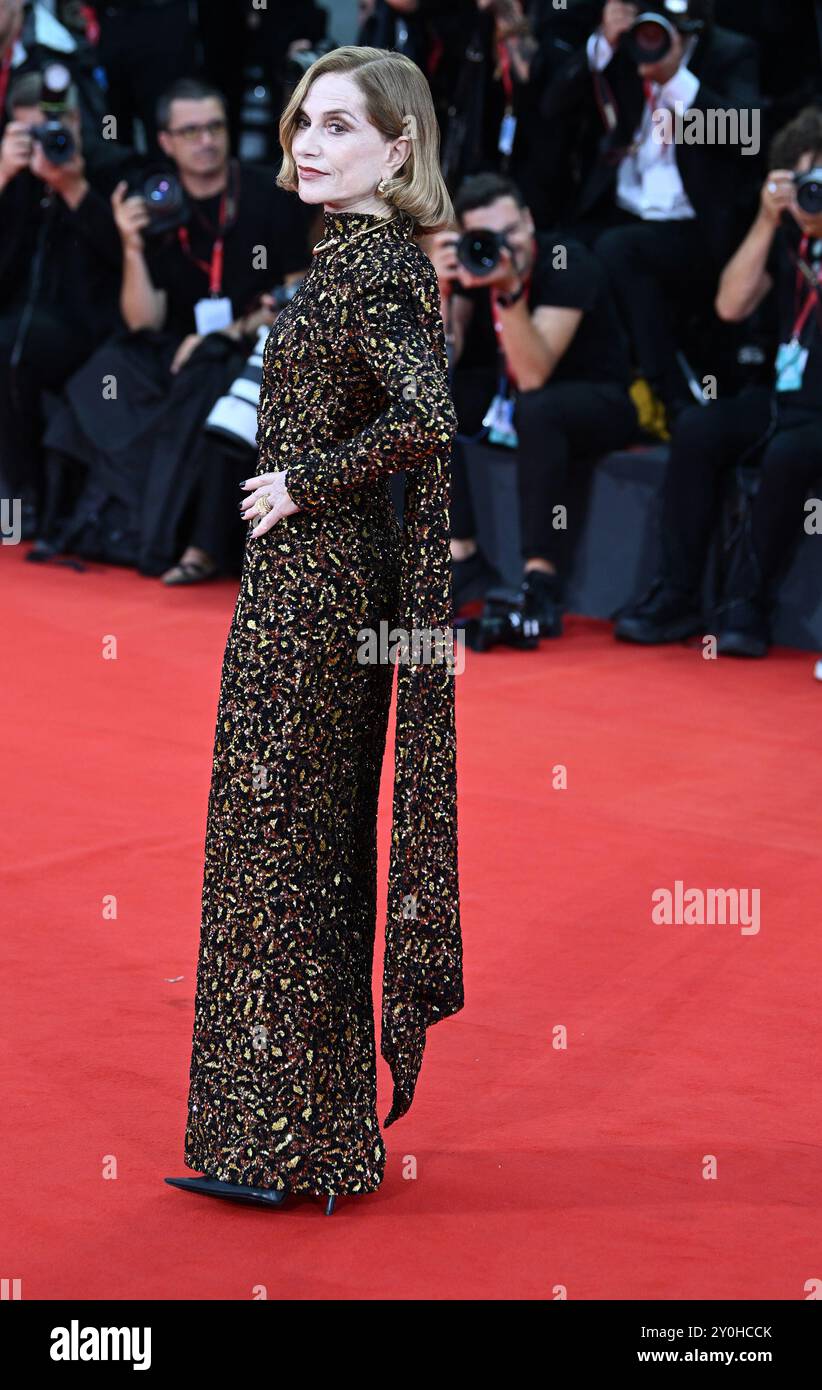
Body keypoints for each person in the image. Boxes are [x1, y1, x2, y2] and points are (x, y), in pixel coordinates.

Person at [164, 46, 464, 1214]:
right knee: (281, 852)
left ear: (399, 149)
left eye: (339, 125)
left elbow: (429, 416)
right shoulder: (347, 258)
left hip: (321, 597)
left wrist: (303, 481)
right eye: (301, 122)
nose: (307, 142)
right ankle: (293, 1139)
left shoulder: (375, 266)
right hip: (302, 590)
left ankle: (299, 1145)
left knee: (283, 851)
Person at [40, 77, 311, 578]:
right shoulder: (155, 201)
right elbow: (143, 321)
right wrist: (131, 245)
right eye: (190, 132)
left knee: (207, 375)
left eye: (213, 127)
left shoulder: (267, 193)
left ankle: (189, 542)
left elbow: (296, 293)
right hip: (171, 345)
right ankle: (106, 521)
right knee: (104, 372)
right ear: (165, 141)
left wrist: (228, 331)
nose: (205, 140)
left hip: (245, 343)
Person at [614, 106, 822, 658]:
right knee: (702, 428)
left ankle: (746, 606)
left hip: (817, 416)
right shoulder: (783, 237)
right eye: (802, 183)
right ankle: (676, 593)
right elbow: (730, 306)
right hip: (782, 397)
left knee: (790, 453)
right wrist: (765, 220)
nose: (810, 198)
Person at [424, 172, 638, 636]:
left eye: (512, 232)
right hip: (509, 395)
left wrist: (507, 290)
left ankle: (540, 577)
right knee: (423, 399)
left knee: (537, 409)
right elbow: (440, 362)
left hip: (596, 398)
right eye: (488, 237)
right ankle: (462, 556)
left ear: (529, 220)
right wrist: (440, 291)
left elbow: (534, 374)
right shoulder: (470, 263)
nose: (505, 246)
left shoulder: (568, 262)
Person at [541, 0, 761, 422]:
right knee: (559, 250)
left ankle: (673, 396)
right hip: (622, 207)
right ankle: (595, 390)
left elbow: (746, 137)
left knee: (619, 251)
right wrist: (600, 46)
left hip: (694, 225)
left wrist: (677, 80)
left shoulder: (731, 52)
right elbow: (553, 107)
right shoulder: (627, 48)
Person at [0, 68, 121, 529]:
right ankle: (22, 501)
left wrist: (74, 189)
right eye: (31, 133)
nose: (45, 142)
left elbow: (130, 259)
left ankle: (30, 502)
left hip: (91, 326)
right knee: (11, 347)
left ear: (74, 120)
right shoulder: (12, 177)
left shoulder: (108, 167)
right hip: (17, 320)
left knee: (11, 346)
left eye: (54, 129)